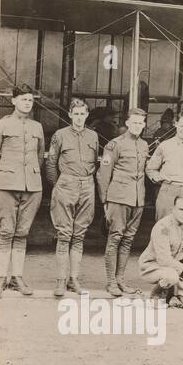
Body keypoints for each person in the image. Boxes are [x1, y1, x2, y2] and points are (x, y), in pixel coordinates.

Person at [44, 98, 101, 296]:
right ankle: (60, 280)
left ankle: (73, 279)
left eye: (82, 114)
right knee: (64, 234)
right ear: (70, 115)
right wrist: (58, 185)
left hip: (87, 185)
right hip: (65, 184)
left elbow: (95, 162)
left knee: (79, 235)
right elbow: (51, 163)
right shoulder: (60, 135)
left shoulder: (93, 136)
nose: (79, 118)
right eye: (75, 114)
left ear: (87, 115)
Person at [0, 83, 46, 296]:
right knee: (6, 232)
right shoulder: (2, 124)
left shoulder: (37, 127)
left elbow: (40, 155)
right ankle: (0, 278)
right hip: (6, 184)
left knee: (22, 233)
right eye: (23, 99)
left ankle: (17, 277)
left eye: (30, 100)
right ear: (13, 101)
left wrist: (31, 175)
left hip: (32, 186)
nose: (27, 103)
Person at [97, 106, 150, 297]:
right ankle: (111, 281)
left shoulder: (144, 145)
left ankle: (120, 279)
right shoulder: (114, 145)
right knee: (115, 238)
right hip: (118, 197)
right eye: (134, 122)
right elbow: (103, 174)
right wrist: (105, 201)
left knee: (128, 240)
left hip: (137, 199)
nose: (137, 126)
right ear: (127, 123)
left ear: (144, 125)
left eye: (140, 123)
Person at [138, 194, 183, 310]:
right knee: (172, 276)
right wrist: (181, 266)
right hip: (152, 266)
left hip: (173, 266)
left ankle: (170, 293)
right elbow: (163, 259)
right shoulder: (163, 227)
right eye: (181, 209)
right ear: (173, 209)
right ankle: (156, 294)